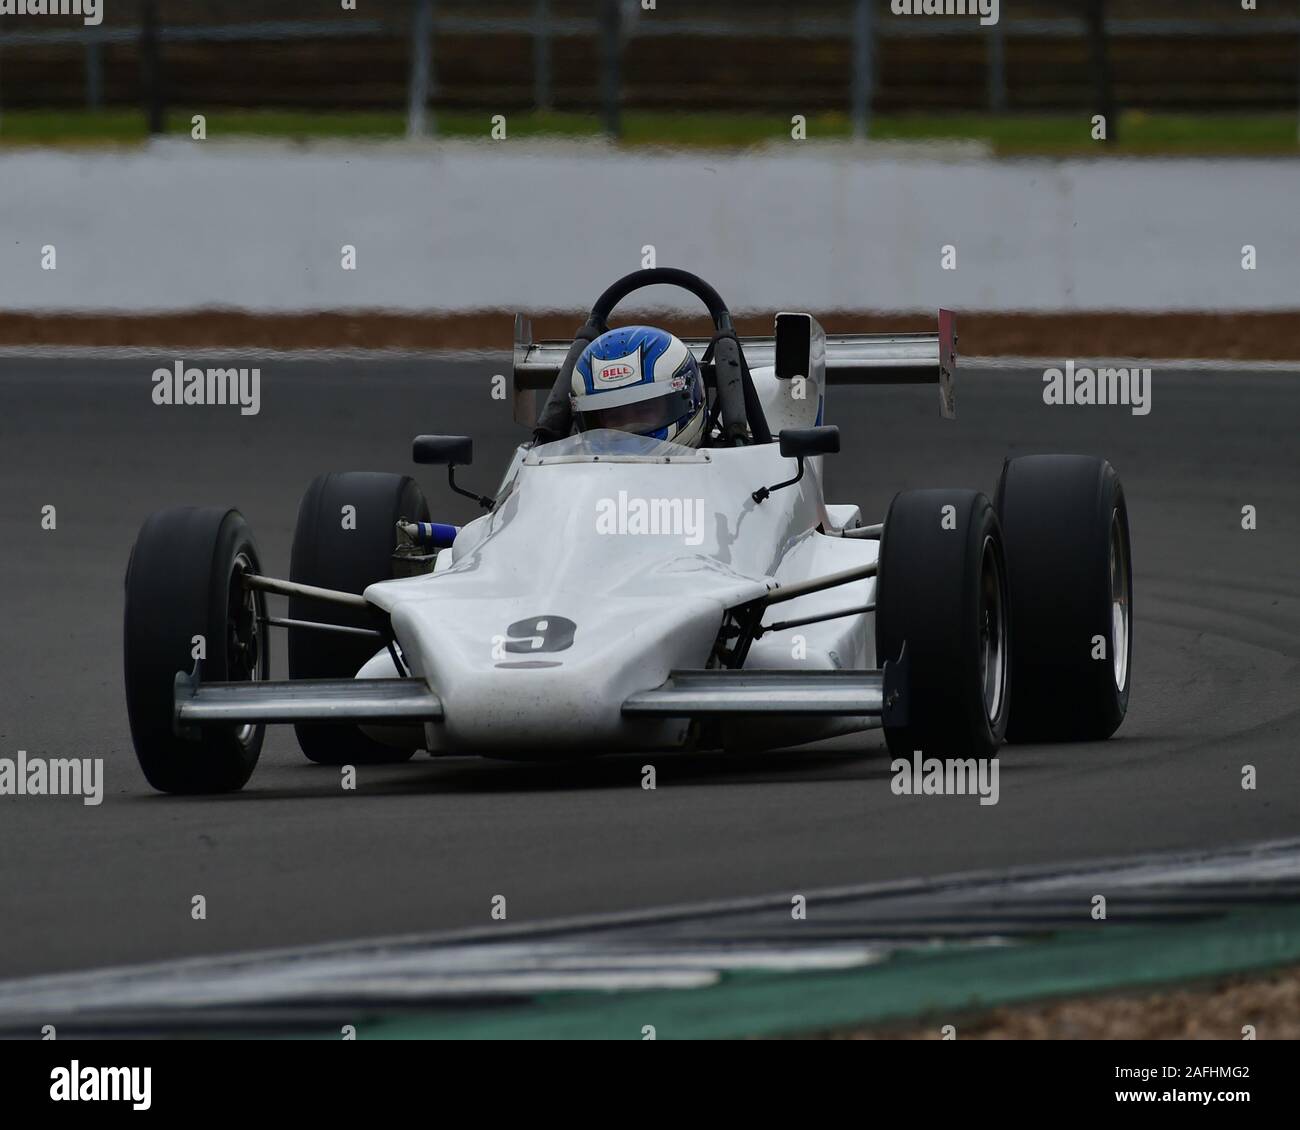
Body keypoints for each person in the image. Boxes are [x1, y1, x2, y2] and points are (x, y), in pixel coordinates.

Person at [569, 325, 707, 446]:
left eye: (644, 411)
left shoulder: (725, 465)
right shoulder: (571, 472)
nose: (630, 426)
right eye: (615, 417)